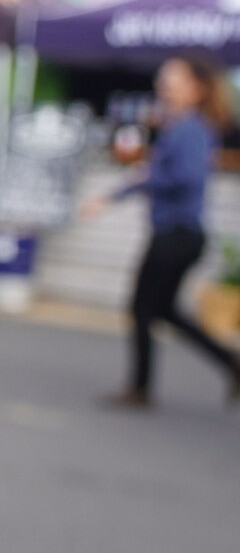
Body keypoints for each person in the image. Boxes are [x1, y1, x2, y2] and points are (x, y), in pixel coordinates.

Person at [83, 52, 240, 407]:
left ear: (197, 88)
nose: (163, 85)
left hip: (178, 235)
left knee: (142, 308)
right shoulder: (180, 126)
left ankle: (140, 388)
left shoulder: (192, 129)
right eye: (163, 79)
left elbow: (186, 177)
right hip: (177, 234)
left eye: (173, 79)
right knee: (163, 310)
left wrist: (143, 178)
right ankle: (230, 362)